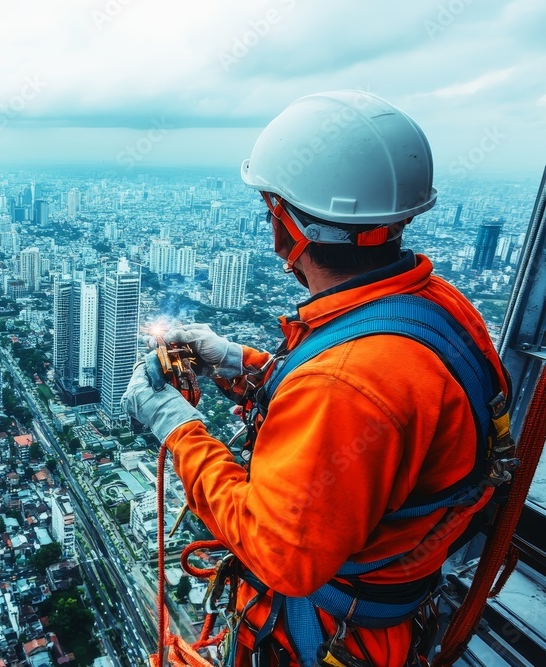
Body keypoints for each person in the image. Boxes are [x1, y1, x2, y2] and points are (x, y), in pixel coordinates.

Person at [122, 91, 510, 667]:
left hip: (329, 636)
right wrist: (237, 362)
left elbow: (282, 556)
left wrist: (176, 428)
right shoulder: (438, 306)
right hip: (392, 604)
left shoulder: (346, 385)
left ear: (285, 230)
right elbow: (360, 405)